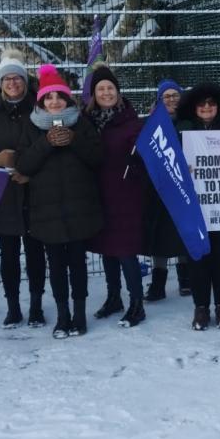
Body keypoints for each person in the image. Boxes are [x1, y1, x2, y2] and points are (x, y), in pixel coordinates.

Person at [14, 65, 103, 337]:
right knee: (56, 266)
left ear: (68, 99)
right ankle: (62, 316)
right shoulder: (30, 126)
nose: (54, 102)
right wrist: (46, 144)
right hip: (46, 212)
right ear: (41, 101)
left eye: (59, 97)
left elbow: (98, 159)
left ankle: (79, 315)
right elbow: (24, 165)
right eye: (49, 98)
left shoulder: (82, 123)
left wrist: (74, 141)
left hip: (78, 209)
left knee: (77, 264)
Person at [0, 54, 48, 328]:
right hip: (2, 194)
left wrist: (31, 170)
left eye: (17, 77)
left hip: (34, 189)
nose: (12, 82)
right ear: (0, 82)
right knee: (8, 252)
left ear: (25, 80)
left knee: (37, 251)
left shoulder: (39, 106)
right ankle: (13, 306)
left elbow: (48, 144)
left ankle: (36, 304)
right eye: (7, 78)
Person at [175, 82, 220, 329]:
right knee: (197, 259)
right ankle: (201, 308)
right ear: (194, 107)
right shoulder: (181, 133)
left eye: (212, 103)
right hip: (194, 209)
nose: (207, 107)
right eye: (202, 103)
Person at [86, 63, 149, 327]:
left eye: (110, 88)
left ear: (118, 92)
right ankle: (114, 297)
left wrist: (136, 161)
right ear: (94, 94)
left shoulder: (131, 121)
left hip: (125, 194)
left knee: (125, 250)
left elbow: (144, 155)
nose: (106, 93)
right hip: (97, 193)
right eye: (101, 88)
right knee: (106, 249)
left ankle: (137, 303)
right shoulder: (86, 121)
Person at [143, 79, 191, 301]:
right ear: (159, 100)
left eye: (175, 95)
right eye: (166, 96)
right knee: (159, 235)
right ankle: (158, 282)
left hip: (185, 187)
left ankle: (185, 279)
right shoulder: (151, 124)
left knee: (183, 232)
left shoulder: (190, 122)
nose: (171, 100)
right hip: (158, 189)